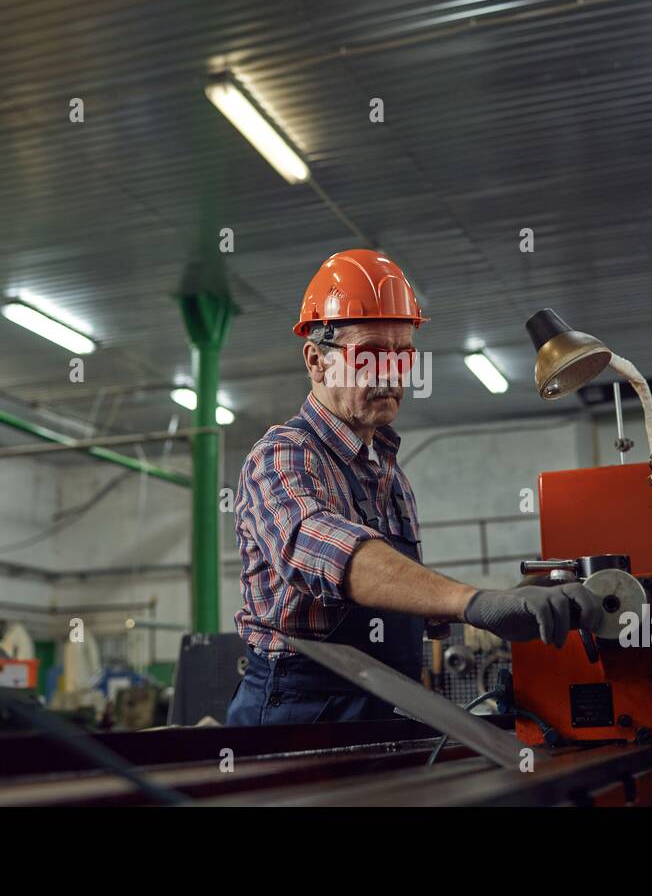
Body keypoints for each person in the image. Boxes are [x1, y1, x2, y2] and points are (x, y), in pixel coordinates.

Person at [226, 248, 598, 725]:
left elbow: (400, 599)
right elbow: (330, 554)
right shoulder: (282, 456)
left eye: (402, 357)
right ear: (316, 360)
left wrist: (511, 601)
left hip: (377, 706)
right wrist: (473, 602)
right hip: (295, 718)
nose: (389, 375)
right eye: (369, 356)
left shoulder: (388, 470)